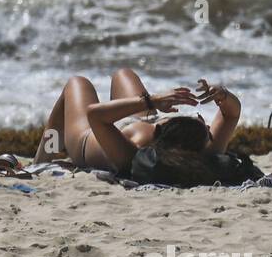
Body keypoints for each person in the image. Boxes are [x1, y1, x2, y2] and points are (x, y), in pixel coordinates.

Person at [33, 68, 242, 183]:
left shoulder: (131, 154)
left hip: (90, 138)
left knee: (76, 83)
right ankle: (44, 154)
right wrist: (222, 94)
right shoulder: (205, 148)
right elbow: (232, 114)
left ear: (164, 130)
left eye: (199, 120)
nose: (207, 126)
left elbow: (95, 116)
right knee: (124, 74)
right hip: (141, 121)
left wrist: (151, 101)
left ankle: (42, 158)